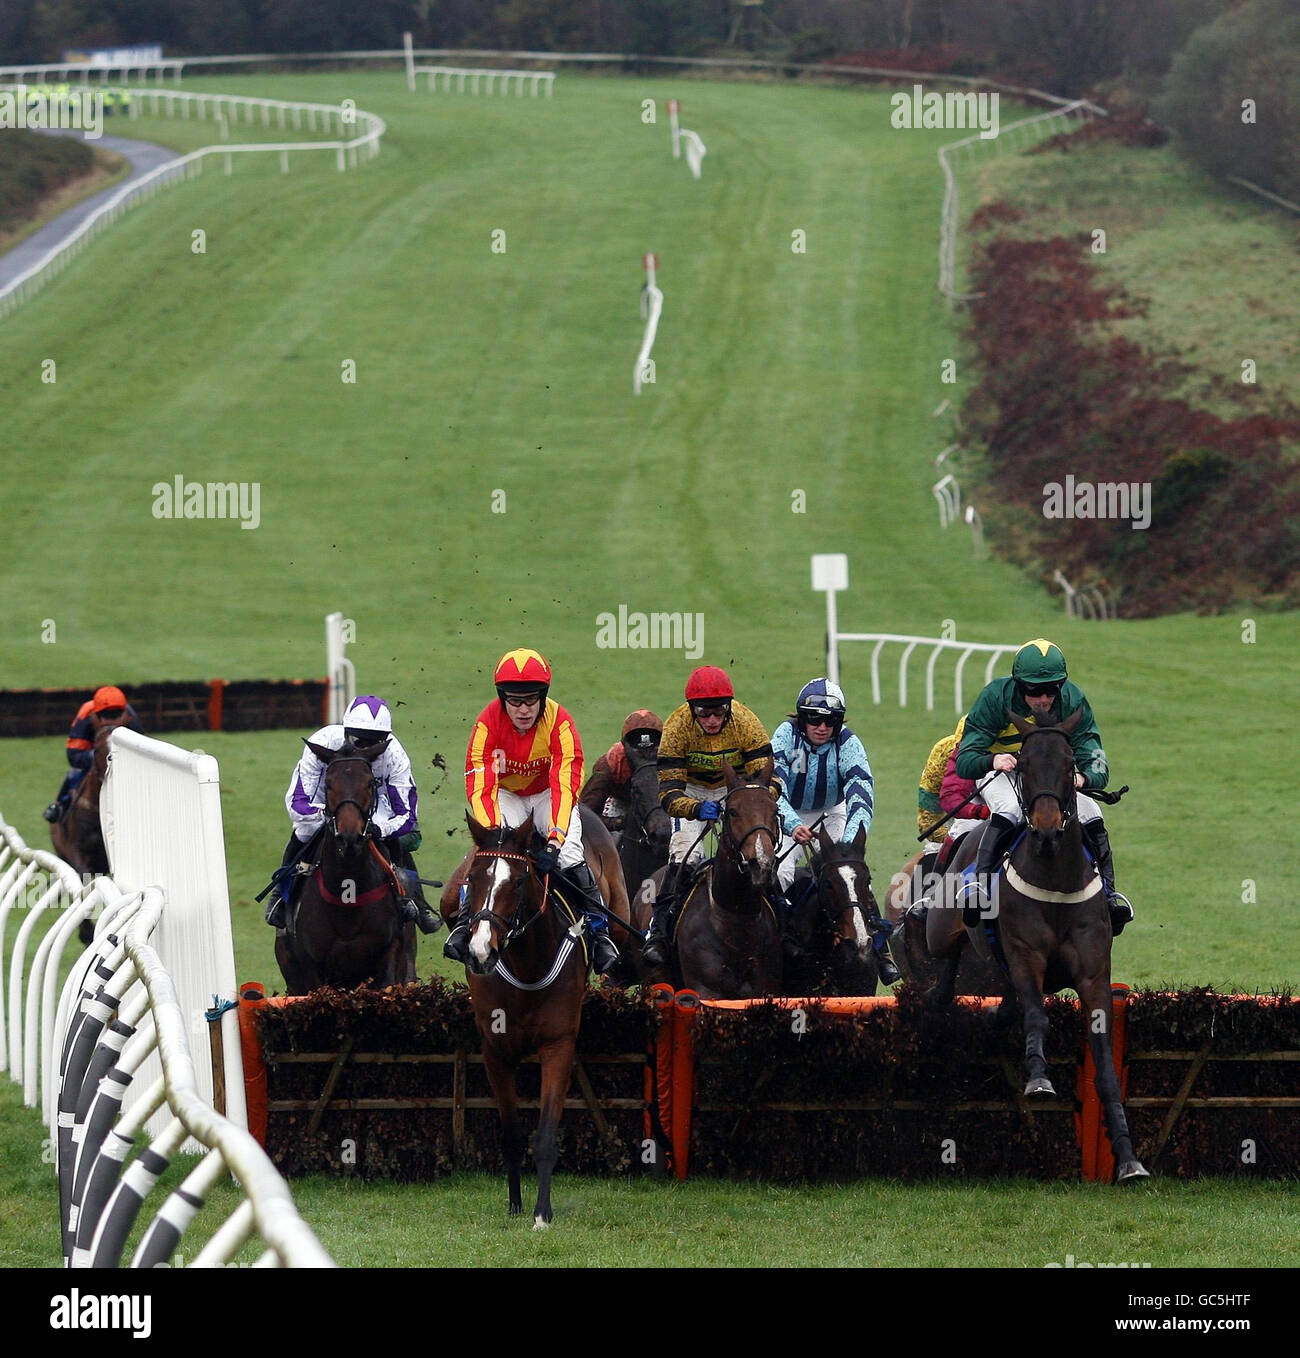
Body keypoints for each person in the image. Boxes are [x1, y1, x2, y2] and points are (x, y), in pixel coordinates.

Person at [442, 649, 620, 974]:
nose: (523, 710)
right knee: (493, 857)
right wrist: (494, 834)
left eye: (531, 701)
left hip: (547, 793)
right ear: (502, 699)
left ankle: (599, 933)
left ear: (543, 698)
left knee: (570, 855)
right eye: (514, 701)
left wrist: (554, 841)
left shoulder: (561, 722)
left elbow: (565, 784)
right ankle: (465, 922)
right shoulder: (486, 724)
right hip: (506, 793)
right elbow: (480, 785)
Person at [955, 638, 1134, 934]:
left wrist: (1084, 778)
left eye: (1051, 690)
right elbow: (966, 760)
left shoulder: (1073, 700)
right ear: (1018, 684)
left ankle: (1110, 895)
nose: (1043, 698)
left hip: (1051, 779)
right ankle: (979, 885)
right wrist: (993, 759)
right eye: (1033, 690)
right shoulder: (994, 697)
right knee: (1010, 807)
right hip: (1004, 773)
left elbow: (1096, 760)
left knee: (1092, 813)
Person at [266, 694, 440, 935]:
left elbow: (407, 815)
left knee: (392, 839)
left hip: (372, 804)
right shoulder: (323, 742)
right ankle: (280, 896)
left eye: (375, 742)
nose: (366, 748)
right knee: (304, 831)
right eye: (359, 740)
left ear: (385, 740)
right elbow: (298, 803)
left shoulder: (394, 755)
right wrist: (329, 817)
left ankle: (416, 904)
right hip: (325, 803)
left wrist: (381, 829)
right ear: (346, 733)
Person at [641, 666, 775, 969]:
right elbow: (668, 794)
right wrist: (696, 808)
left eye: (718, 712)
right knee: (684, 857)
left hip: (739, 790)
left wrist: (751, 802)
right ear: (692, 710)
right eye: (704, 713)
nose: (712, 720)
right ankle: (659, 933)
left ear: (729, 708)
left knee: (761, 853)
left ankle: (784, 924)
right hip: (691, 792)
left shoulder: (746, 722)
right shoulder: (676, 728)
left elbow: (770, 780)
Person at [771, 678, 898, 984]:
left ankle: (881, 952)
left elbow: (861, 792)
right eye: (814, 719)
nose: (822, 727)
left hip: (833, 810)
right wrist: (791, 824)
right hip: (790, 810)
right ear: (802, 718)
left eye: (830, 721)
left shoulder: (848, 742)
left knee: (850, 871)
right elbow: (774, 787)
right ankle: (777, 940)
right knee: (780, 872)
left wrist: (851, 844)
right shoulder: (785, 735)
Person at [44, 686, 142, 822]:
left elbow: (143, 753)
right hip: (92, 756)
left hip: (123, 759)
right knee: (74, 773)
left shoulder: (130, 718)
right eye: (105, 716)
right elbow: (74, 756)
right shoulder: (85, 715)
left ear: (124, 714)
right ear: (95, 716)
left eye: (116, 715)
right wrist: (98, 757)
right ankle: (60, 805)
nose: (111, 721)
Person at [579, 709, 663, 834]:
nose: (645, 754)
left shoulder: (670, 755)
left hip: (659, 802)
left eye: (652, 748)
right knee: (609, 842)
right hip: (621, 804)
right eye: (638, 750)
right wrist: (619, 822)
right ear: (625, 746)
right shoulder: (609, 766)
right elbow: (584, 813)